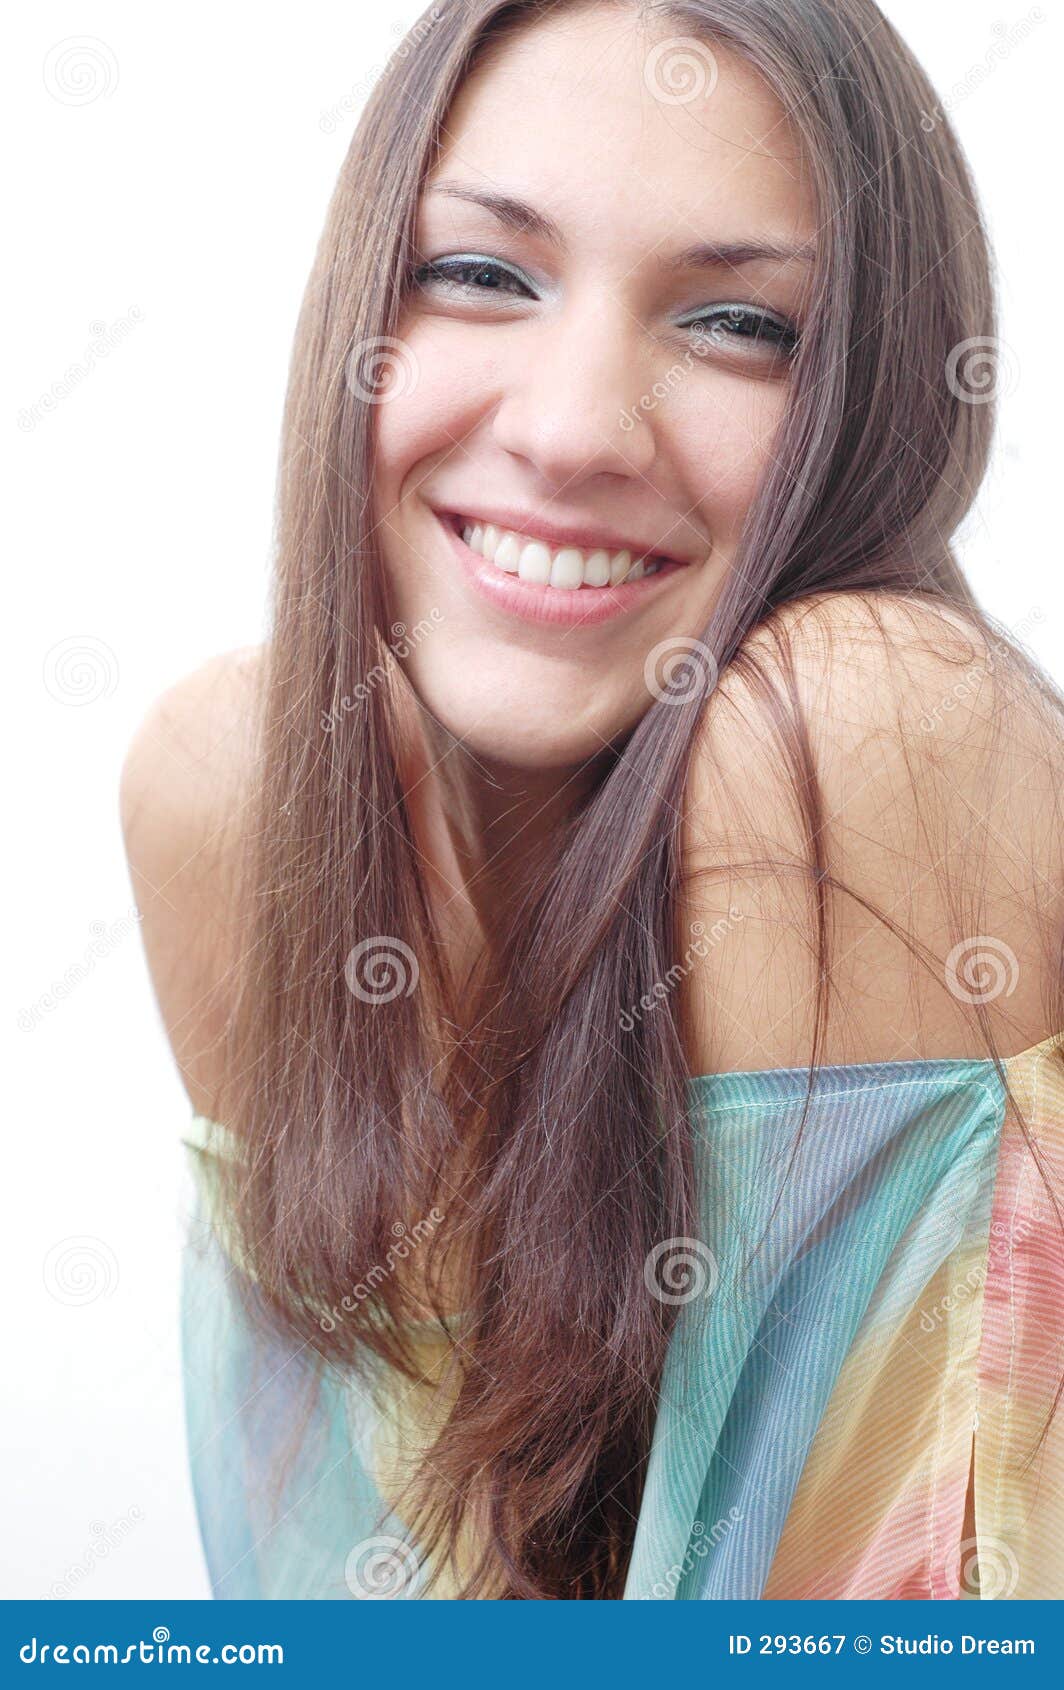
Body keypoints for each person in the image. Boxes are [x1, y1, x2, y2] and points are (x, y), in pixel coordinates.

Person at [120, 0, 1064, 1600]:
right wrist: (435, 1083)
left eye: (742, 325)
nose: (567, 433)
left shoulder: (872, 730)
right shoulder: (255, 794)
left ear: (882, 403)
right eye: (482, 275)